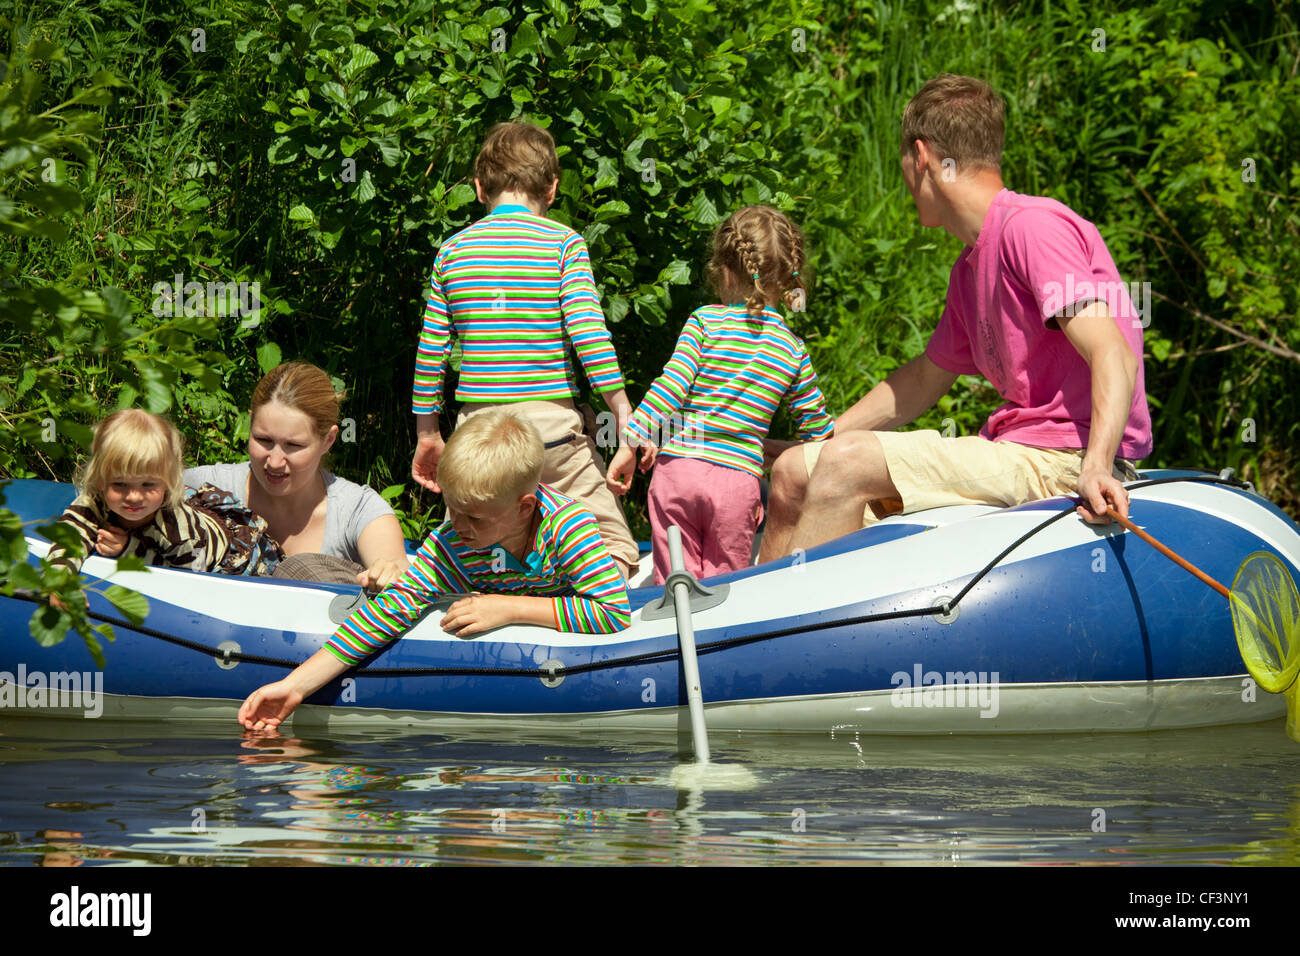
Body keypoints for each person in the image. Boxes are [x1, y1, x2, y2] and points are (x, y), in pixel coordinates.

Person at [759, 74, 1152, 562]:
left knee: (845, 464)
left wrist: (1095, 466)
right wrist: (819, 436)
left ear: (920, 157)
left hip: (1067, 459)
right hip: (1015, 451)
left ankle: (796, 627)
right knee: (797, 470)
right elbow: (924, 378)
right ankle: (752, 629)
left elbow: (1110, 349)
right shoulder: (969, 267)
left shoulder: (1032, 228)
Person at [238, 410, 631, 733]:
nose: (458, 525)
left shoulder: (568, 528)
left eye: (474, 516)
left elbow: (613, 611)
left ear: (524, 508)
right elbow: (384, 614)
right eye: (453, 509)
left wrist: (510, 608)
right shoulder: (453, 543)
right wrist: (293, 687)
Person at [408, 120, 641, 579]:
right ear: (552, 189)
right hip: (550, 432)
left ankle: (473, 595)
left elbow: (431, 353)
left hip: (481, 437)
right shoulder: (564, 245)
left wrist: (428, 434)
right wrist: (622, 411)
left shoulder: (453, 251)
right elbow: (589, 335)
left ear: (478, 188)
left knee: (469, 536)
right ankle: (584, 595)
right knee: (615, 547)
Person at [607, 206, 834, 583]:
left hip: (677, 472)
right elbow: (819, 435)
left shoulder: (704, 322)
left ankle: (669, 637)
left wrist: (631, 444)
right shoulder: (792, 350)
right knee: (724, 589)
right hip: (736, 484)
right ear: (787, 278)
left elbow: (669, 390)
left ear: (725, 270)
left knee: (674, 585)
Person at [184, 362, 408, 589]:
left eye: (294, 445)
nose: (274, 462)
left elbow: (394, 565)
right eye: (263, 440)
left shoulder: (357, 511)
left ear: (328, 440)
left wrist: (390, 571)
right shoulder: (204, 486)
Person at [45, 409, 280, 577]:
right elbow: (69, 534)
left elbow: (187, 580)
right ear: (99, 480)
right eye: (120, 485)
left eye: (148, 485)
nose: (134, 497)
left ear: (168, 483)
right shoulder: (95, 498)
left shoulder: (177, 528)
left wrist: (129, 550)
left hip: (221, 554)